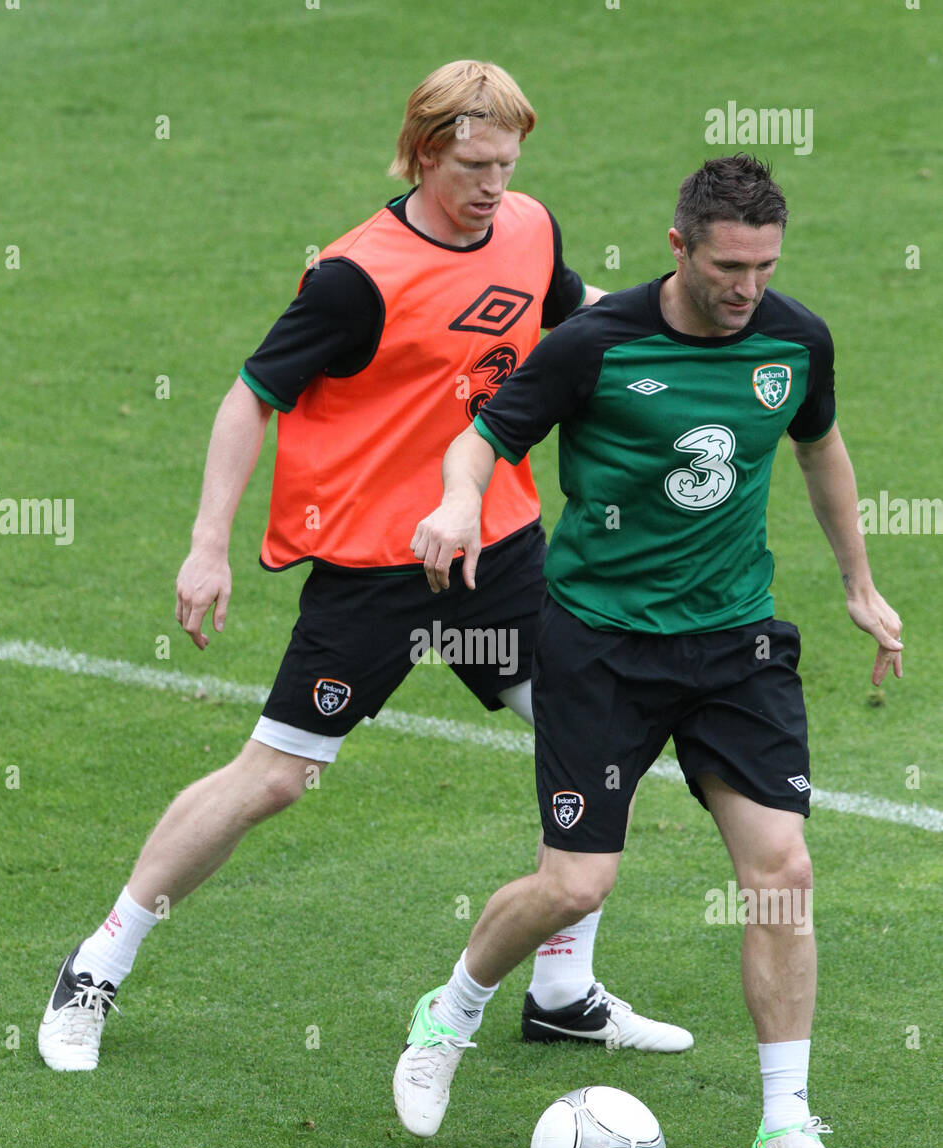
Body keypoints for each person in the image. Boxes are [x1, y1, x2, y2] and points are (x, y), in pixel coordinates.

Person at [39, 60, 692, 1072]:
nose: (492, 185)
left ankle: (562, 989)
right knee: (278, 776)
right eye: (472, 164)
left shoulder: (526, 225)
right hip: (372, 569)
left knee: (597, 733)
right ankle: (97, 960)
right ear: (425, 150)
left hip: (497, 545)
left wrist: (687, 321)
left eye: (507, 164)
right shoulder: (357, 277)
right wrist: (208, 543)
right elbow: (250, 395)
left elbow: (575, 304)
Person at [393, 155, 903, 1148]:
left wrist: (860, 583)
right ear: (680, 247)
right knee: (576, 882)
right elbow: (483, 439)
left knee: (783, 871)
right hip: (602, 644)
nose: (746, 287)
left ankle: (785, 1121)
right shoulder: (596, 343)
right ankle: (450, 1011)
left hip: (734, 646)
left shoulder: (795, 340)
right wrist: (455, 507)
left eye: (764, 265)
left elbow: (821, 451)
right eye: (727, 266)